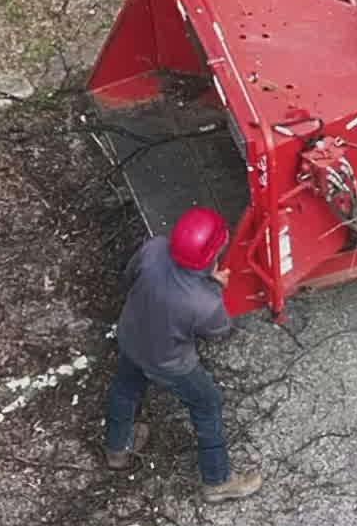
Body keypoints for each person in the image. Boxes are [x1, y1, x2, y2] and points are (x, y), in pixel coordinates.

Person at [103, 206, 259, 501]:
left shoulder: (153, 249)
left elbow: (129, 275)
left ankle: (116, 448)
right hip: (169, 362)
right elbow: (219, 331)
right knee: (207, 404)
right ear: (213, 253)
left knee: (125, 388)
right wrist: (215, 288)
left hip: (131, 336)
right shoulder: (204, 302)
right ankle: (217, 481)